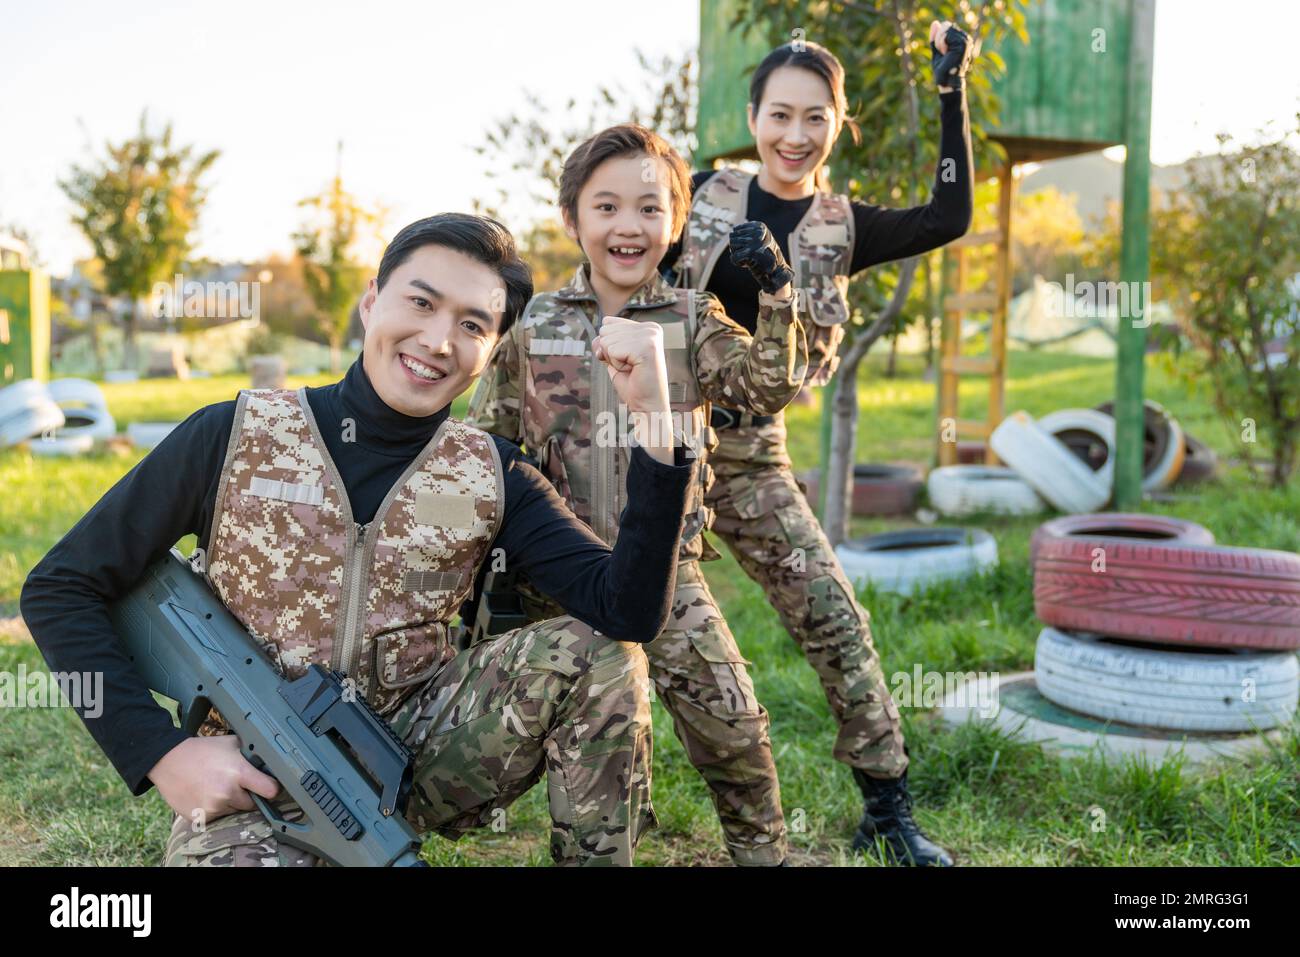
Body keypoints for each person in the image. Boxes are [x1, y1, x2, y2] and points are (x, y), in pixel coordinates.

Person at [20, 212, 699, 867]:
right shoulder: (231, 434)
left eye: (472, 324)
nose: (438, 340)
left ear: (494, 350)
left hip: (417, 757)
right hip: (256, 776)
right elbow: (60, 585)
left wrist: (657, 426)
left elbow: (627, 611)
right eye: (421, 303)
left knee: (601, 653)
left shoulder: (496, 473)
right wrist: (161, 754)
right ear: (372, 301)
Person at [660, 22, 976, 866]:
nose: (795, 136)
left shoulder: (845, 225)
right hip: (654, 439)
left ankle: (888, 811)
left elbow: (950, 214)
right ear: (753, 116)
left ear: (840, 122)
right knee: (608, 616)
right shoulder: (699, 195)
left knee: (836, 620)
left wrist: (951, 92)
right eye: (779, 115)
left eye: (815, 118)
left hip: (752, 456)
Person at [467, 123, 809, 866]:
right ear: (572, 219)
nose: (629, 226)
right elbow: (488, 446)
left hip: (669, 571)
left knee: (735, 724)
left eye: (651, 209)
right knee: (602, 738)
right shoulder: (536, 327)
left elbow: (768, 385)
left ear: (677, 220)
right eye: (608, 207)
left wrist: (778, 295)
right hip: (565, 572)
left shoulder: (691, 319)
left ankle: (767, 854)